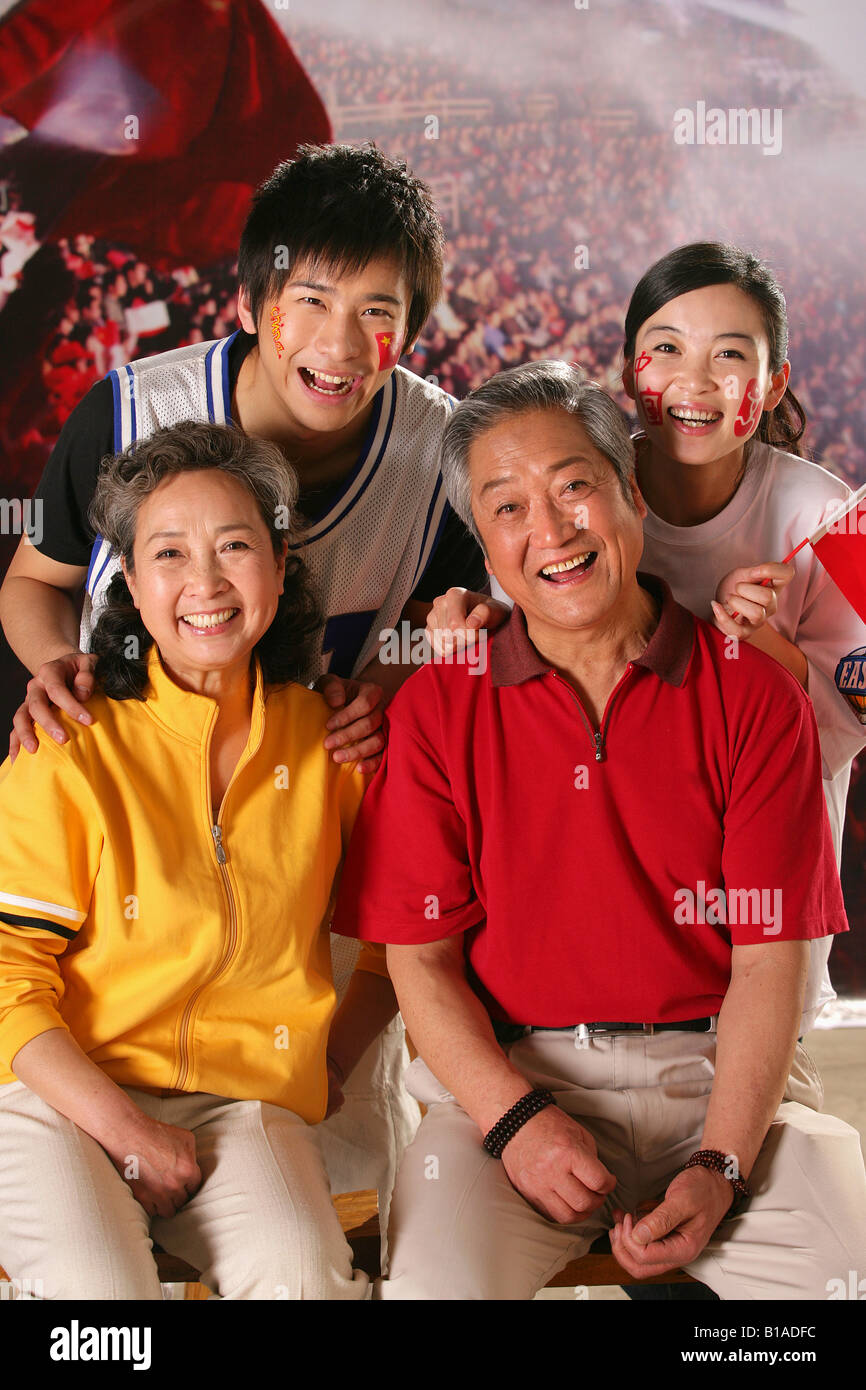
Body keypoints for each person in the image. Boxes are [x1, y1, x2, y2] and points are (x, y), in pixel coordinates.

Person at [0, 141, 488, 1208]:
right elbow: (30, 584)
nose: (337, 340)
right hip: (126, 833)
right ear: (254, 294)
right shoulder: (129, 412)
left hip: (300, 851)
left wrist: (396, 694)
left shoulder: (439, 449)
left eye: (377, 309)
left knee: (334, 1195)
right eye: (308, 298)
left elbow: (467, 627)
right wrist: (57, 669)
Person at [333, 361, 866, 1300]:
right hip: (506, 1089)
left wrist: (724, 1164)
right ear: (485, 548)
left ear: (630, 491)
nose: (550, 531)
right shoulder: (436, 709)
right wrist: (514, 1121)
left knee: (839, 1282)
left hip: (727, 1086)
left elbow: (767, 961)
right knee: (433, 1290)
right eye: (507, 507)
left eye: (575, 486)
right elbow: (422, 962)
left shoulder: (753, 693)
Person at [427, 243, 866, 1040]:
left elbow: (855, 720)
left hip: (755, 923)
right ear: (630, 374)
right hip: (585, 915)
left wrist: (770, 654)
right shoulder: (572, 490)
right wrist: (467, 626)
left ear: (772, 385)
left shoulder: (827, 515)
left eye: (729, 356)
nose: (694, 383)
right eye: (666, 349)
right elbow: (517, 650)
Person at [0, 422, 396, 1299]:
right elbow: (6, 979)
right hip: (58, 1090)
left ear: (281, 564)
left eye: (235, 547)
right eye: (169, 553)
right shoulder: (68, 741)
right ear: (132, 586)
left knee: (304, 1274)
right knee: (98, 1292)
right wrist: (128, 1131)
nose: (206, 583)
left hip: (241, 1101)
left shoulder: (335, 745)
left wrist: (330, 1062)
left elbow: (396, 941)